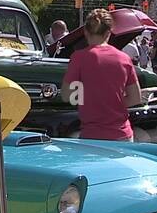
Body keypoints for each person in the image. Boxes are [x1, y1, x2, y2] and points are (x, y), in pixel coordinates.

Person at [61, 8, 143, 141]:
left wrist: (89, 101)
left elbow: (67, 96)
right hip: (122, 135)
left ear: (85, 32)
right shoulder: (124, 58)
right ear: (109, 33)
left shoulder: (79, 58)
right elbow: (135, 98)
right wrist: (114, 103)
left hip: (91, 135)